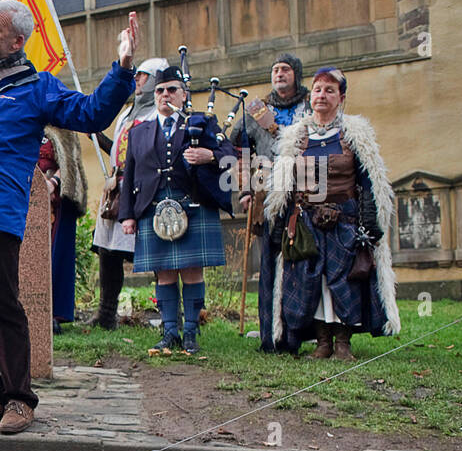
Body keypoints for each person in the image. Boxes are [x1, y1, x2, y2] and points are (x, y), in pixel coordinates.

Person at [0, 1, 137, 434]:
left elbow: (91, 113)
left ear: (18, 41)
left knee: (2, 305)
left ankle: (20, 399)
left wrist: (123, 68)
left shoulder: (36, 88)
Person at [266, 67, 399, 359]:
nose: (322, 95)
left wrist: (369, 220)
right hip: (306, 221)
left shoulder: (355, 135)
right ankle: (322, 342)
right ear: (310, 96)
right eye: (317, 90)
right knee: (311, 280)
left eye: (329, 90)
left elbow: (368, 180)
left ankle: (343, 343)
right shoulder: (296, 137)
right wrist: (281, 219)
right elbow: (285, 184)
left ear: (341, 97)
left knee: (344, 279)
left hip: (345, 219)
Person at [119, 66, 236, 355]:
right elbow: (129, 174)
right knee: (165, 272)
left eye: (172, 89)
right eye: (160, 90)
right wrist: (128, 215)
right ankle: (169, 331)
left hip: (193, 204)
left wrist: (209, 156)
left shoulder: (202, 124)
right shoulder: (139, 132)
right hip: (154, 208)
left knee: (192, 271)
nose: (165, 95)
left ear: (184, 95)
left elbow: (232, 156)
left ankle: (191, 334)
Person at [233, 53, 313, 352]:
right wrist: (243, 189)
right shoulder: (256, 111)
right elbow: (239, 148)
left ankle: (298, 334)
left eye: (286, 69)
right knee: (268, 266)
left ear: (297, 74)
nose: (279, 74)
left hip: (306, 194)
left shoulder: (310, 107)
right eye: (275, 70)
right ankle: (269, 337)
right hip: (268, 198)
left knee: (302, 264)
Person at [90, 57, 167, 329]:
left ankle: (170, 316)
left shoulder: (158, 113)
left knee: (159, 254)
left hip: (145, 189)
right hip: (117, 189)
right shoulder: (126, 113)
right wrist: (100, 138)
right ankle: (106, 313)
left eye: (143, 76)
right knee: (108, 252)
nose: (137, 80)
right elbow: (120, 153)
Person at [39, 127, 87, 332]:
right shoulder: (20, 117)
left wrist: (52, 184)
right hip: (23, 198)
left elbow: (70, 162)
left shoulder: (63, 128)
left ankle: (52, 313)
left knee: (55, 255)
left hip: (55, 201)